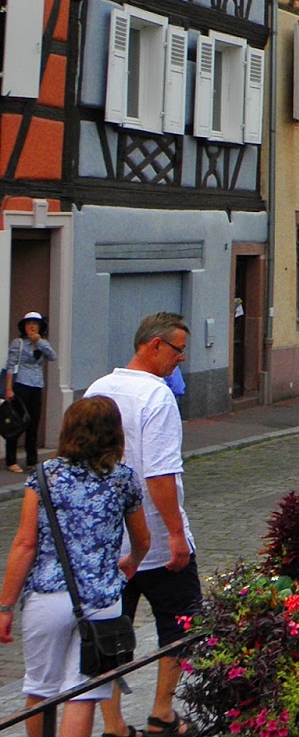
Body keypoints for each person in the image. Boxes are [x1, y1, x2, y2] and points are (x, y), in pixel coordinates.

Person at [0, 396, 150, 737]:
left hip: (47, 596)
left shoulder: (43, 476)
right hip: (101, 601)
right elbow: (142, 540)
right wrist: (130, 564)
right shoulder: (123, 479)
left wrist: (5, 606)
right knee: (82, 693)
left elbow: (25, 544)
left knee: (40, 689)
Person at [86, 313, 200, 737]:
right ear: (153, 345)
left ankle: (114, 726)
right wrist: (175, 533)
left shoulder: (99, 387)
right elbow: (160, 473)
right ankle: (161, 713)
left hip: (106, 541)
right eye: (177, 350)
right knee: (181, 623)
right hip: (152, 540)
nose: (180, 360)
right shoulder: (157, 397)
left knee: (112, 633)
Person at [6, 312, 56, 474]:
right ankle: (11, 460)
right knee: (17, 423)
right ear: (24, 327)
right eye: (29, 324)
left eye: (35, 324)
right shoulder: (18, 343)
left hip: (37, 385)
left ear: (40, 327)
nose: (32, 327)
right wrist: (9, 388)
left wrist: (39, 342)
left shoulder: (42, 343)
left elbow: (52, 356)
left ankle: (31, 460)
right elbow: (11, 365)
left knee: (33, 423)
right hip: (21, 384)